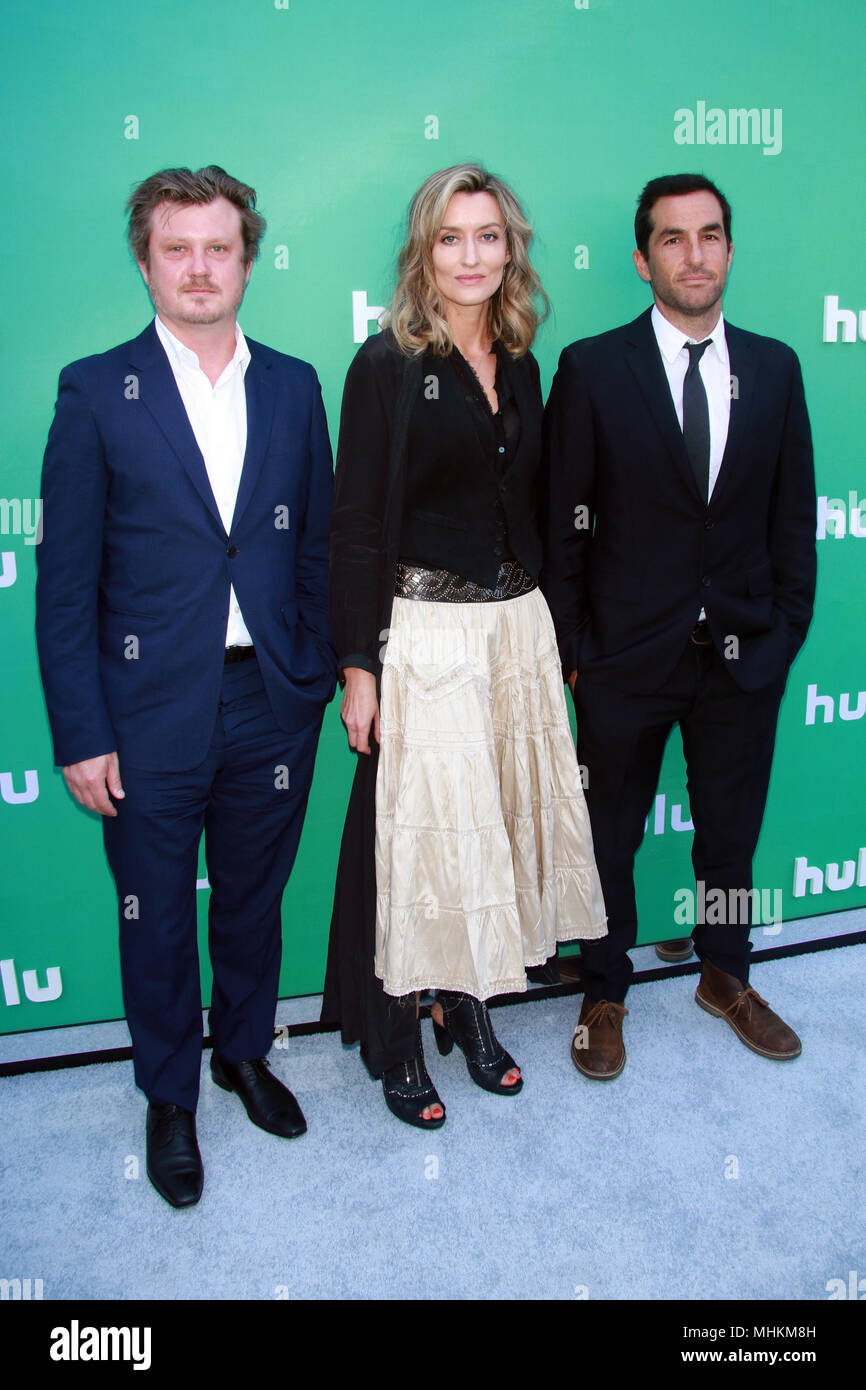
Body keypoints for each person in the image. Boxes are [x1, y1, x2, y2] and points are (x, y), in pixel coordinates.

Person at [35, 165, 336, 1206]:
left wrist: (312, 677)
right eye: (178, 248)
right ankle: (170, 1093)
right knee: (154, 914)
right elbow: (65, 583)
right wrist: (81, 728)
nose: (200, 267)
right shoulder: (94, 388)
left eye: (219, 247)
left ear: (247, 259)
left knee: (252, 902)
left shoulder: (294, 385)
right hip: (142, 710)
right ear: (145, 260)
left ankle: (243, 1052)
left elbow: (318, 550)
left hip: (270, 701)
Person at [322, 163, 606, 1128]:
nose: (471, 255)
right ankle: (403, 1030)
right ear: (423, 251)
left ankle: (471, 1006)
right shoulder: (386, 365)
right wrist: (359, 664)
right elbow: (355, 524)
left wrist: (554, 637)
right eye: (451, 237)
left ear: (510, 248)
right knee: (422, 843)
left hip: (514, 633)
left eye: (488, 235)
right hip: (426, 636)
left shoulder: (523, 358)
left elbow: (536, 506)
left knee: (490, 833)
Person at [541, 173, 816, 1080]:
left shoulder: (775, 367)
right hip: (625, 658)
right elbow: (562, 522)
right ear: (641, 257)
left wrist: (781, 635)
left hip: (743, 655)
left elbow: (790, 519)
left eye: (709, 236)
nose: (693, 254)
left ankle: (725, 974)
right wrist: (579, 651)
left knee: (731, 832)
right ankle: (604, 991)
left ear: (729, 249)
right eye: (672, 239)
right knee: (608, 835)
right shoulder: (591, 366)